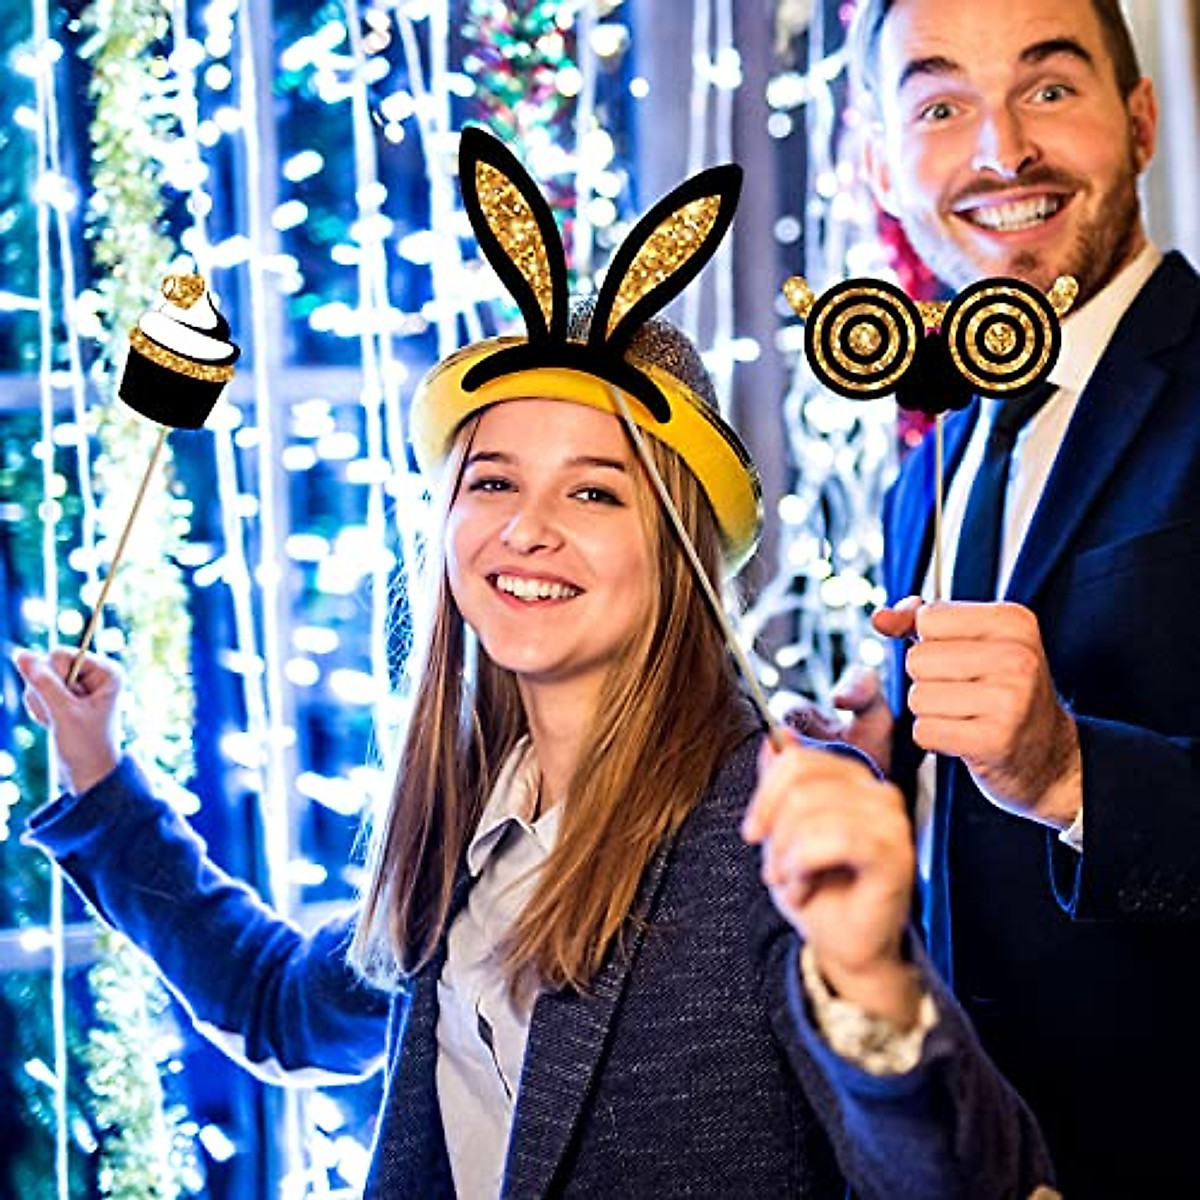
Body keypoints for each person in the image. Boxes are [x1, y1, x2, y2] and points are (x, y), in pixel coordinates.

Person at [13, 127, 1056, 1198]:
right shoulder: (465, 820)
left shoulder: (770, 819)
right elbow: (281, 1005)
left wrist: (872, 982)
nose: (527, 529)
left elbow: (956, 1179)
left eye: (595, 490)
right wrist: (100, 778)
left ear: (679, 549)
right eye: (494, 482)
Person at [800, 1, 1200, 1195]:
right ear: (883, 167)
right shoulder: (928, 470)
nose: (1001, 152)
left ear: (1140, 120)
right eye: (940, 106)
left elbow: (1056, 766)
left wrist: (1071, 773)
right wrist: (887, 761)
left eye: (1050, 88)